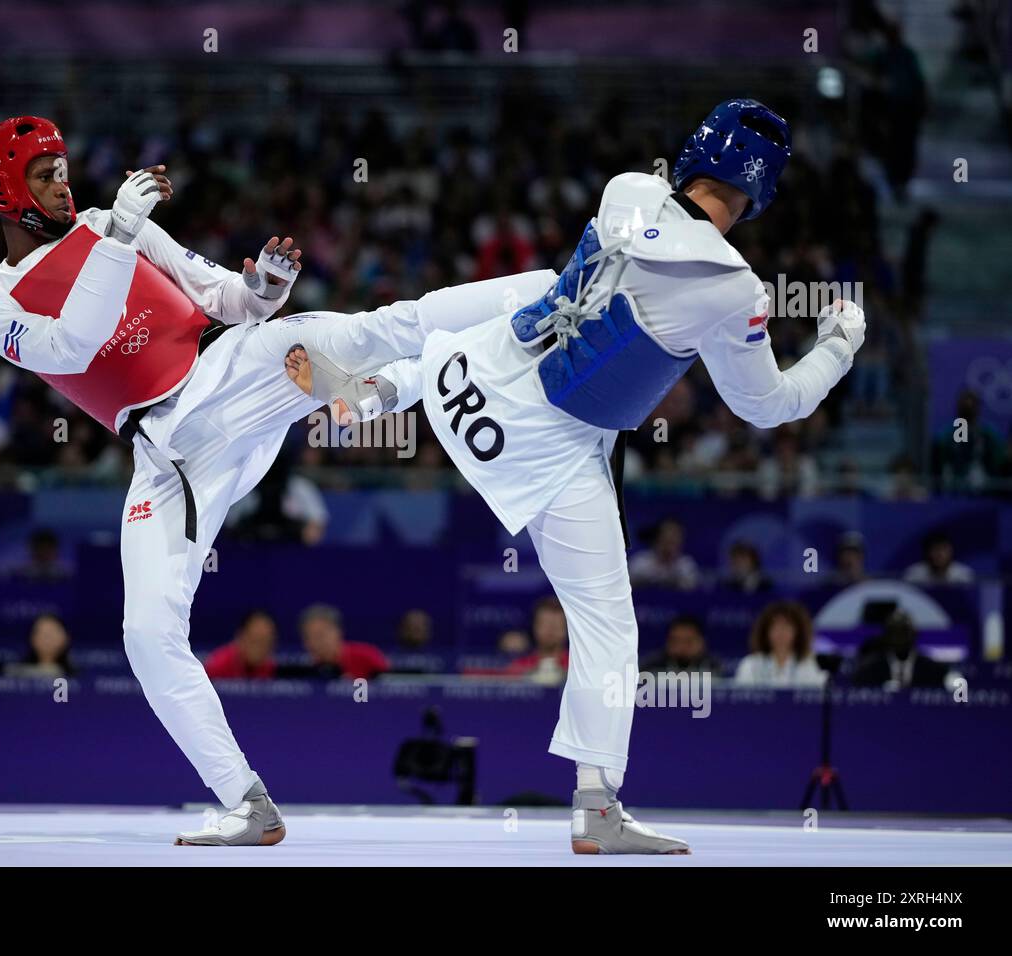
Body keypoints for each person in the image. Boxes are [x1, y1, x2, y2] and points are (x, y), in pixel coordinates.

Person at [290, 99, 865, 853]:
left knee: (523, 291)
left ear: (695, 155)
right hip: (542, 447)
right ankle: (596, 807)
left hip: (468, 379)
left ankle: (367, 384)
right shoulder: (737, 290)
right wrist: (838, 347)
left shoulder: (625, 188)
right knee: (607, 628)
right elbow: (766, 406)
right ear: (758, 191)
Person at [0, 116, 553, 846]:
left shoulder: (117, 227)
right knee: (146, 635)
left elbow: (227, 302)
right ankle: (247, 801)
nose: (63, 184)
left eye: (62, 170)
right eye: (44, 176)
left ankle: (546, 296)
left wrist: (263, 287)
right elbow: (73, 344)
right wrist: (115, 235)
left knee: (380, 326)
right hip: (171, 454)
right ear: (3, 190)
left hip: (234, 368)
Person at [734, 601, 827, 688]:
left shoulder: (814, 665)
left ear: (798, 631)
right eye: (775, 627)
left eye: (786, 626)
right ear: (765, 631)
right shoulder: (750, 664)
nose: (780, 632)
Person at [851, 611, 950, 689]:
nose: (899, 639)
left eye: (903, 632)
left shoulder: (934, 671)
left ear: (914, 635)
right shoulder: (868, 672)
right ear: (886, 637)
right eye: (894, 633)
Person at [296, 604, 390, 680]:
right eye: (308, 637)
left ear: (338, 632)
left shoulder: (366, 655)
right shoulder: (304, 668)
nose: (314, 642)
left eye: (320, 635)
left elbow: (390, 685)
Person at [505, 596, 569, 684]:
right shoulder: (518, 667)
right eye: (545, 624)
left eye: (557, 626)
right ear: (534, 627)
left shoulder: (577, 667)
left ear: (567, 629)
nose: (550, 630)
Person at [204, 610, 278, 680]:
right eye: (254, 641)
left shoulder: (270, 668)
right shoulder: (216, 667)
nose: (259, 649)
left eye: (265, 643)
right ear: (240, 637)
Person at [640, 615, 720, 674]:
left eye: (688, 641)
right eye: (676, 641)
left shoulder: (715, 669)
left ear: (701, 642)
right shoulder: (650, 669)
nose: (682, 647)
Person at [903, 531, 974, 585]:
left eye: (944, 549)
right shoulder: (914, 575)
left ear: (951, 551)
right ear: (927, 552)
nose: (940, 554)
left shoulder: (963, 575)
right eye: (936, 549)